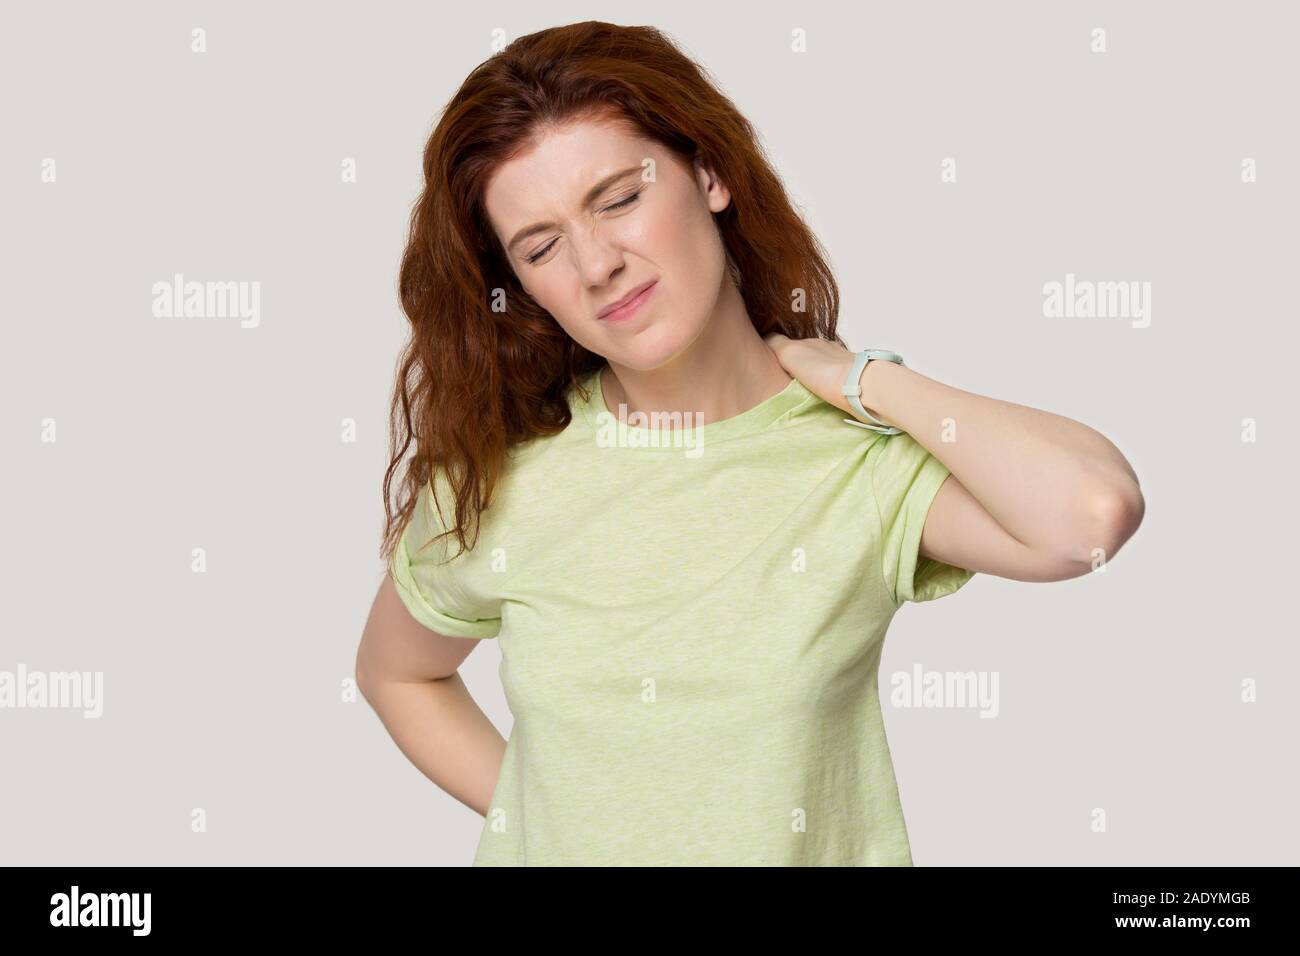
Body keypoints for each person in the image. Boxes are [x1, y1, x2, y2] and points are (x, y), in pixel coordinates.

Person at [355, 21, 1144, 866]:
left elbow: (1091, 515)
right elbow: (399, 675)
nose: (595, 266)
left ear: (710, 173)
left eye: (619, 199)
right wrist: (548, 820)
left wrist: (858, 377)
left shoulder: (854, 462)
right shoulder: (503, 477)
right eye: (541, 247)